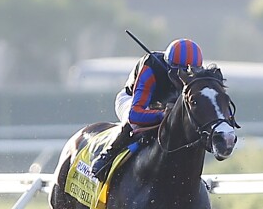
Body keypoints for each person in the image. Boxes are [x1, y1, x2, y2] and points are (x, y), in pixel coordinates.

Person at [83, 38, 203, 179]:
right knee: (135, 125)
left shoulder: (196, 76)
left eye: (189, 74)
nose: (184, 79)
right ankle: (108, 156)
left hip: (164, 107)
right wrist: (163, 115)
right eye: (180, 73)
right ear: (170, 67)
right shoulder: (150, 69)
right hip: (133, 101)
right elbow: (136, 114)